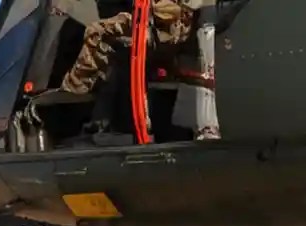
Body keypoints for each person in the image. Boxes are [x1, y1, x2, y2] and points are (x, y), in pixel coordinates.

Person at [57, 0, 220, 140]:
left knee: (99, 33)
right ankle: (76, 92)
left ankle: (74, 91)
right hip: (150, 23)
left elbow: (172, 11)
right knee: (99, 35)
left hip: (167, 29)